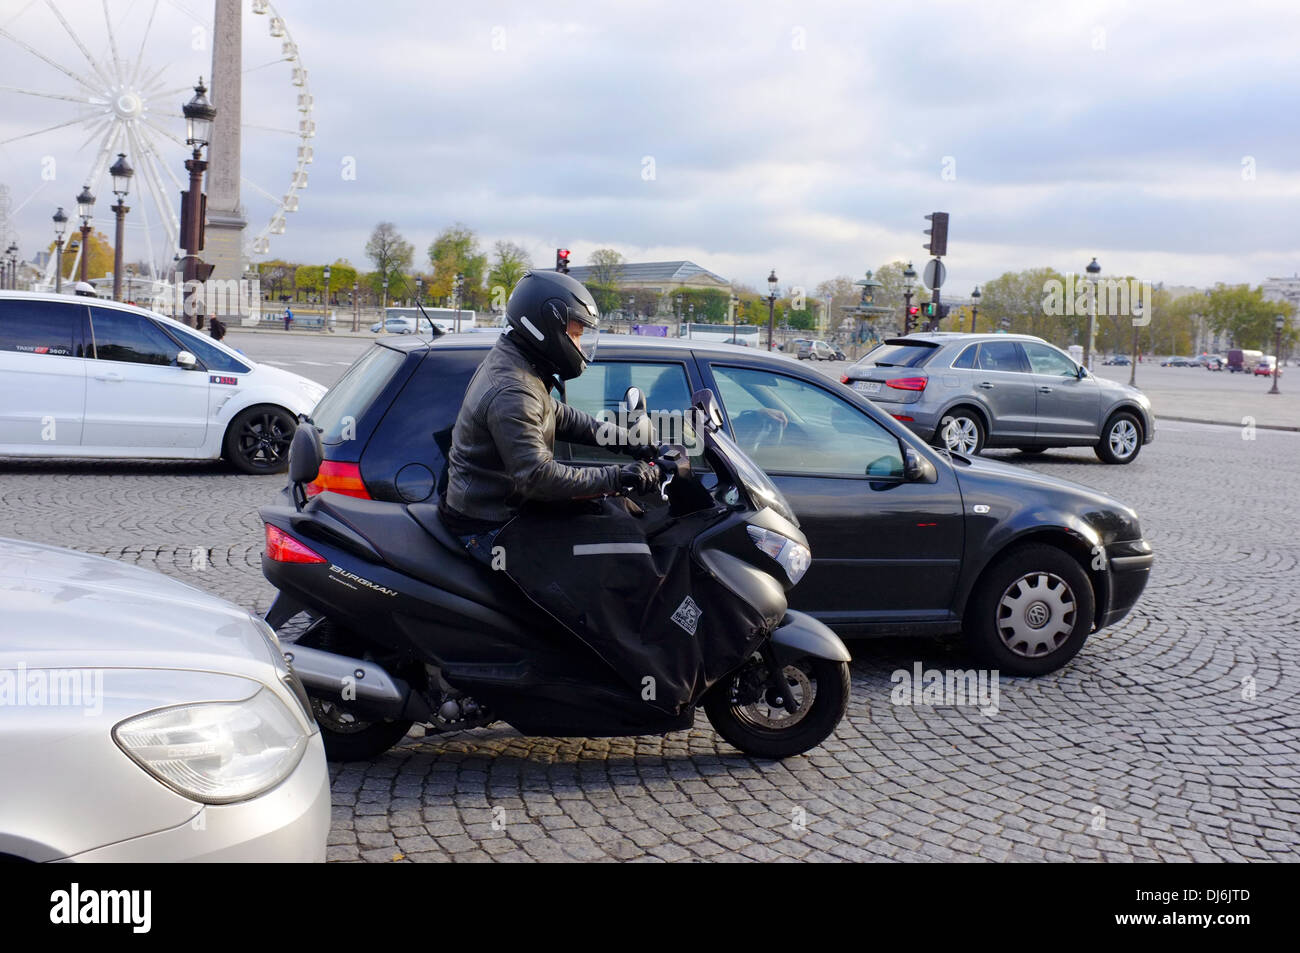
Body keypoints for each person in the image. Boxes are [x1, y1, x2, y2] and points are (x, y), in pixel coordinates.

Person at [440, 270, 658, 564]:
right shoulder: (513, 388)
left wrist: (626, 440)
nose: (579, 347)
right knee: (605, 564)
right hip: (489, 526)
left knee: (611, 520)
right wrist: (620, 475)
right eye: (576, 335)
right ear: (545, 324)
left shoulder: (519, 363)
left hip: (502, 506)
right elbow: (537, 478)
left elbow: (558, 414)